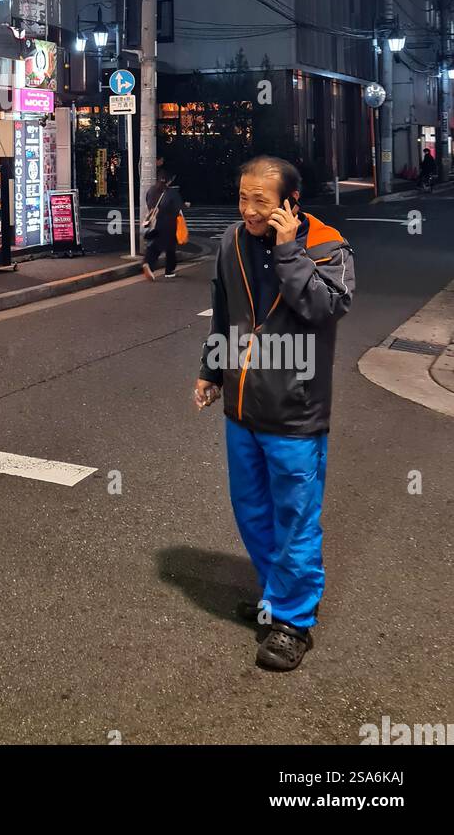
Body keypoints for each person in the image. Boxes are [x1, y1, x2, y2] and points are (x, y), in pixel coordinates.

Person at [193, 155, 355, 671]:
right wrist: (210, 371)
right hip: (243, 406)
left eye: (260, 201)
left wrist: (288, 251)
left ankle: (294, 622)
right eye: (243, 197)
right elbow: (224, 311)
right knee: (253, 511)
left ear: (290, 203)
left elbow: (322, 309)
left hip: (295, 410)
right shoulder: (230, 241)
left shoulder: (328, 246)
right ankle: (275, 598)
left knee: (296, 517)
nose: (248, 210)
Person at [141, 171, 183, 281]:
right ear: (169, 180)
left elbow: (149, 204)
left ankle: (148, 264)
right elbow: (177, 208)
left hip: (155, 223)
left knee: (154, 246)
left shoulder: (151, 191)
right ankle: (169, 270)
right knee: (170, 248)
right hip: (169, 224)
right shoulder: (171, 193)